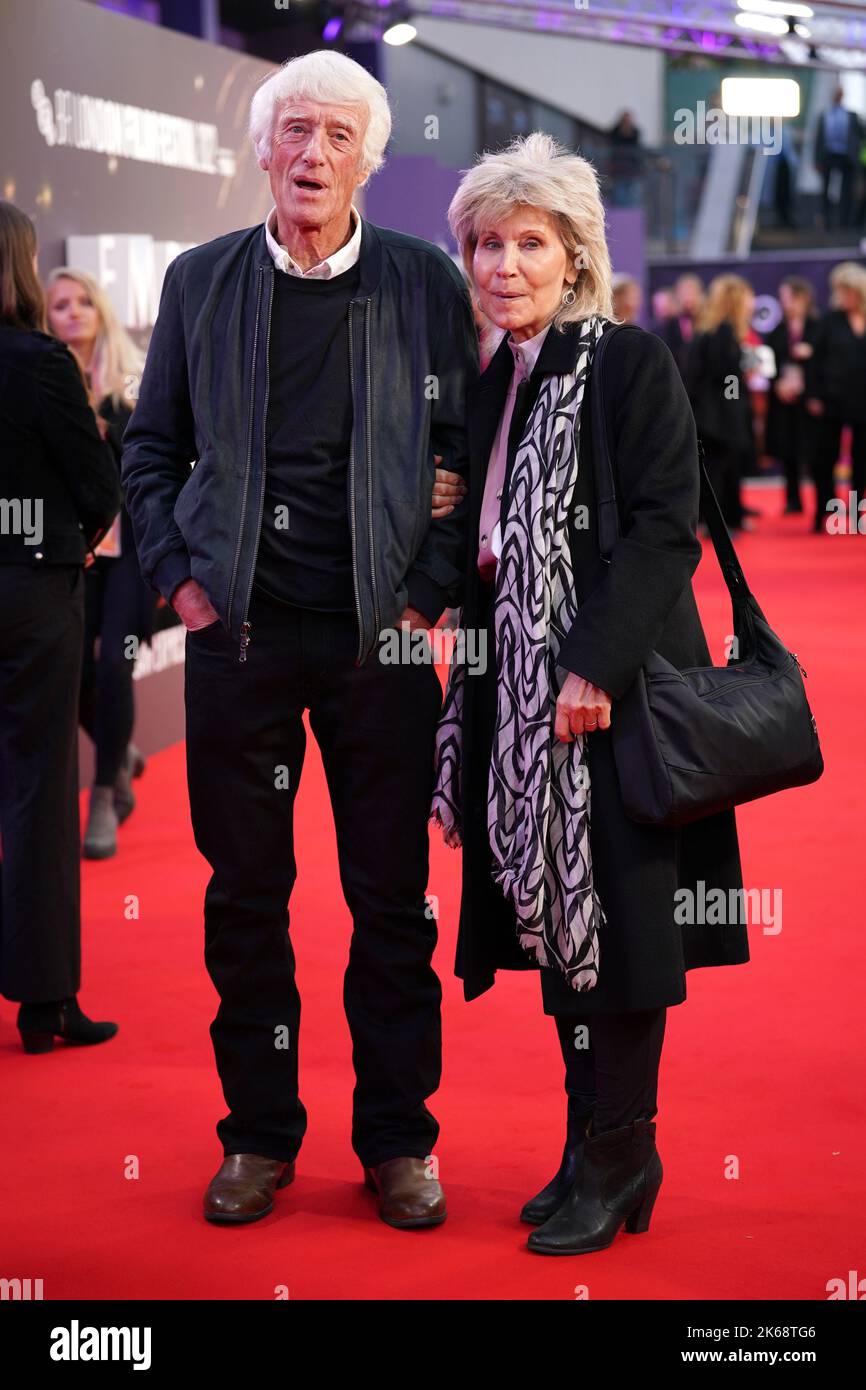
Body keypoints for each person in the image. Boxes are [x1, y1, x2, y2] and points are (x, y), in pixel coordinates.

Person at [121, 51, 478, 1228]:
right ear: (261, 149)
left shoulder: (426, 282)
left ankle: (397, 1141)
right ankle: (258, 1138)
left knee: (391, 906)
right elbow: (151, 449)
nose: (312, 154)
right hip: (240, 645)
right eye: (294, 132)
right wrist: (183, 584)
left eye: (337, 135)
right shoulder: (201, 281)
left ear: (369, 156)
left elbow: (469, 459)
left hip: (379, 648)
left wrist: (423, 594)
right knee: (245, 901)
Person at [430, 133, 748, 1256]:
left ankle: (620, 1152)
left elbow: (666, 527)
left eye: (527, 242)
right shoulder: (495, 379)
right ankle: (593, 1145)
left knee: (613, 937)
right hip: (514, 709)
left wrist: (587, 665)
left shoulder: (625, 360)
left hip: (608, 705)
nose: (502, 264)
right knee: (558, 932)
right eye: (483, 244)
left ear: (574, 256)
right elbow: (479, 538)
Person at [0, 202, 121, 1051]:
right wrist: (72, 542)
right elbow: (98, 481)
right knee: (42, 793)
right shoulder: (42, 364)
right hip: (34, 594)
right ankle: (44, 1004)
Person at [45, 268, 155, 858]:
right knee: (74, 671)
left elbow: (150, 474)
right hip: (70, 557)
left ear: (102, 311)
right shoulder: (41, 385)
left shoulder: (129, 386)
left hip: (131, 556)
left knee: (115, 662)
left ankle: (106, 792)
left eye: (84, 300)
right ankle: (121, 752)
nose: (73, 312)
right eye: (60, 304)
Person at [686, 274, 757, 532]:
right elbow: (724, 377)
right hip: (717, 418)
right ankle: (715, 523)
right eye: (748, 297)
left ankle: (724, 518)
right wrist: (736, 396)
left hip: (712, 415)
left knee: (720, 470)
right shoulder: (724, 332)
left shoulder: (712, 330)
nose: (752, 303)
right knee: (717, 471)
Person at [806, 261, 866, 532]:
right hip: (830, 399)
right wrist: (813, 395)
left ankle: (856, 514)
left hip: (862, 400)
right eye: (840, 291)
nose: (843, 297)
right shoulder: (828, 321)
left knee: (862, 459)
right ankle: (824, 513)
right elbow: (814, 362)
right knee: (824, 458)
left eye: (848, 291)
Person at [765, 277, 819, 515]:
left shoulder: (818, 326)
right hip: (784, 401)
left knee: (815, 450)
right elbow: (769, 362)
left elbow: (829, 361)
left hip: (810, 399)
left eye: (787, 297)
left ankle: (822, 499)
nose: (785, 303)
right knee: (788, 450)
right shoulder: (778, 330)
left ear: (802, 298)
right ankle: (792, 498)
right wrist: (777, 384)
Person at [814, 87, 862, 232]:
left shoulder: (851, 115)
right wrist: (816, 160)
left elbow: (860, 134)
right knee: (826, 190)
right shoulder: (825, 114)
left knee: (846, 190)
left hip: (846, 156)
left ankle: (844, 222)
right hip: (828, 155)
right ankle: (827, 221)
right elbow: (819, 139)